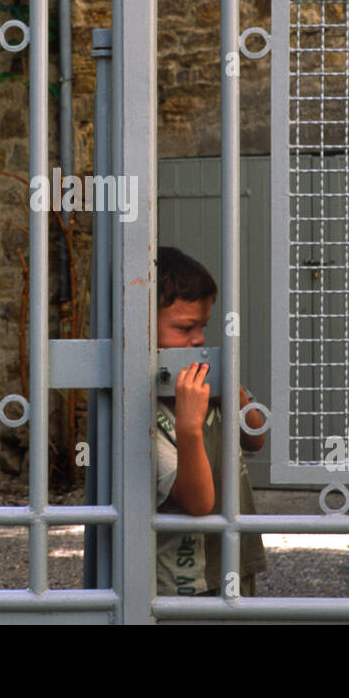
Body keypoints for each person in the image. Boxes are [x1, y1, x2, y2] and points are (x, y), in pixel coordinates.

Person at [154, 245, 267, 596]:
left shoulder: (204, 377)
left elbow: (255, 438)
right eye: (185, 327)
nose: (200, 339)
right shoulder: (146, 413)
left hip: (233, 557)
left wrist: (238, 399)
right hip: (186, 582)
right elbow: (199, 503)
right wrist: (189, 427)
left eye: (203, 326)